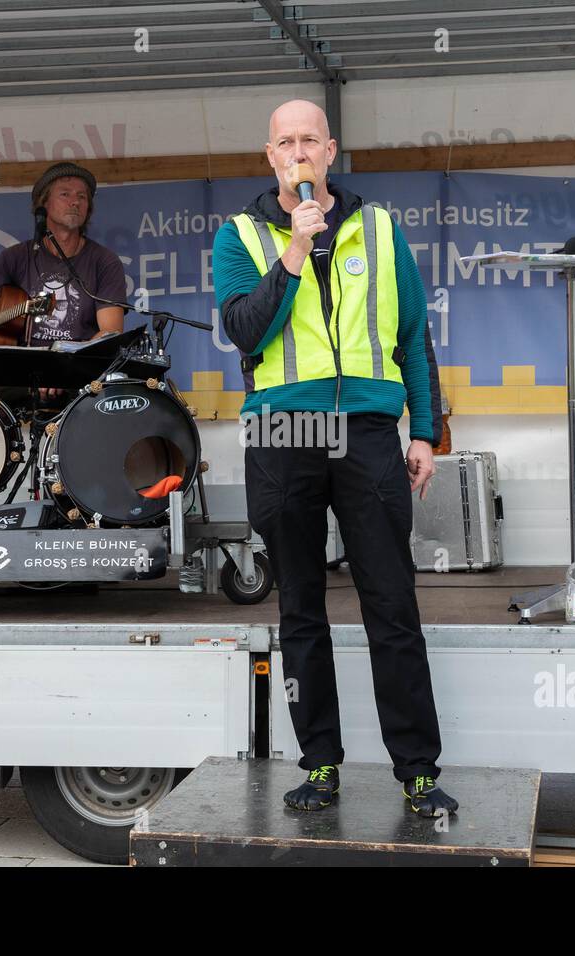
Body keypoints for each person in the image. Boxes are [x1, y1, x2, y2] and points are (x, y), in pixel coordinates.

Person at [213, 99, 457, 817]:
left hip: (370, 432)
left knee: (392, 601)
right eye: (285, 141)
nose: (298, 152)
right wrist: (292, 249)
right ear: (269, 156)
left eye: (309, 140)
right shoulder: (241, 237)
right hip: (283, 434)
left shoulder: (379, 227)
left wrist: (424, 431)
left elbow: (414, 335)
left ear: (330, 150)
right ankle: (320, 764)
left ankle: (416, 770)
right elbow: (243, 332)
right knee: (301, 609)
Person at [0, 161, 126, 403]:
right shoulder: (14, 258)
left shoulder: (104, 261)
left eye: (82, 196)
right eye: (65, 194)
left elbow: (111, 332)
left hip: (74, 372)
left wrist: (65, 369)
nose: (75, 201)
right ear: (44, 204)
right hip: (18, 370)